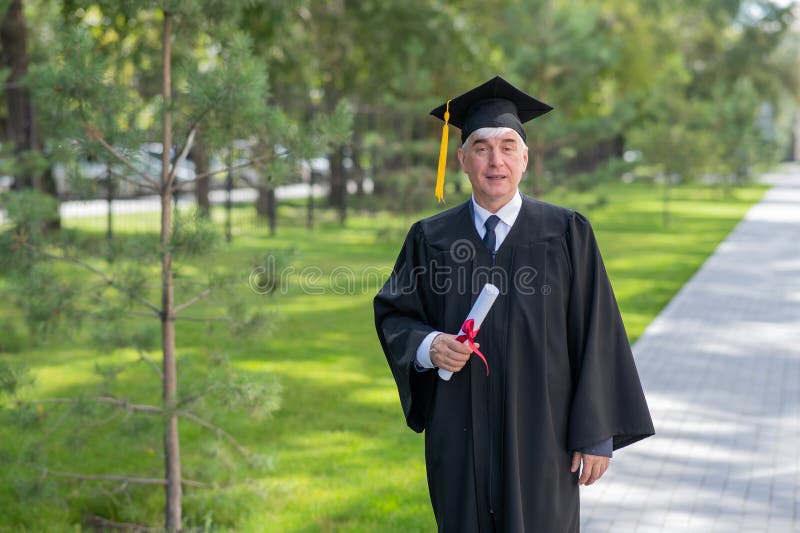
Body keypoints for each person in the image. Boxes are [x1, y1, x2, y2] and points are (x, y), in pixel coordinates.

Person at [373, 76, 654, 532]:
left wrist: (597, 433)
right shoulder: (431, 239)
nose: (495, 160)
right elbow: (394, 316)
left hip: (544, 439)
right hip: (459, 436)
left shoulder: (566, 233)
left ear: (525, 157)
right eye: (481, 147)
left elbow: (596, 331)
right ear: (462, 159)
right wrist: (429, 346)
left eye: (508, 146)